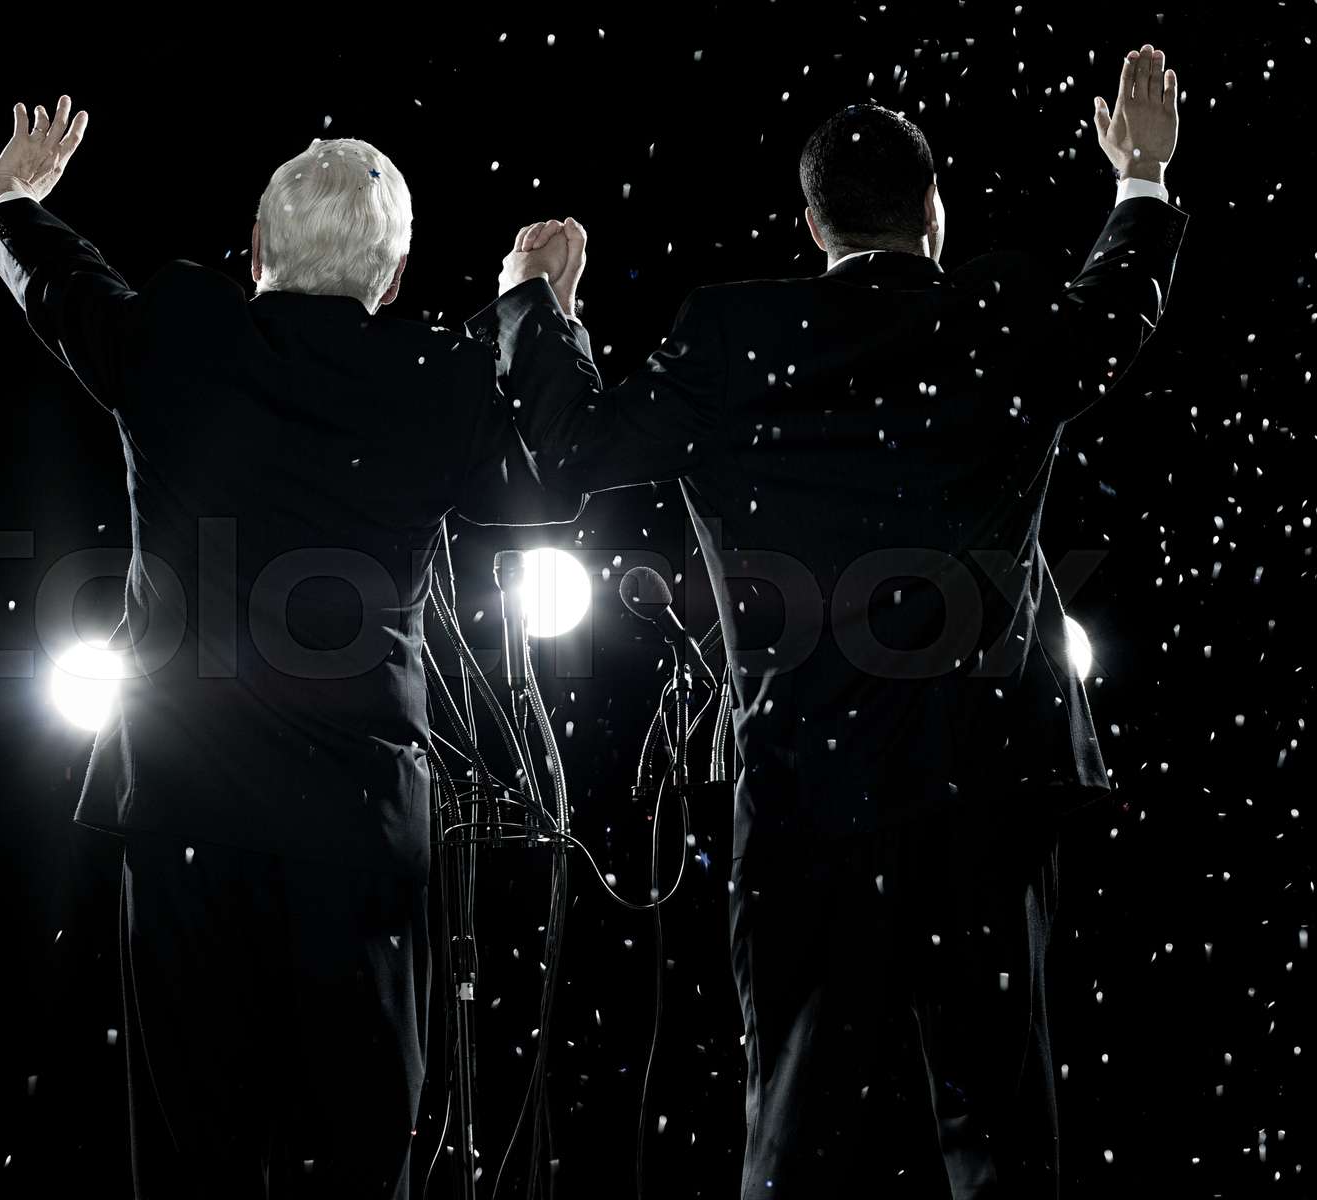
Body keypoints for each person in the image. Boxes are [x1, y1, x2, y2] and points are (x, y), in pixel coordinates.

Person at [469, 44, 1186, 1196]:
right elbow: (1111, 318)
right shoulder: (997, 315)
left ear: (810, 226)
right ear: (933, 212)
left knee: (797, 1134)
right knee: (1003, 1139)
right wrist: (1139, 180)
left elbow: (575, 447)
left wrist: (533, 300)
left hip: (810, 785)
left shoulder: (730, 338)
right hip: (987, 783)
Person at [0, 109, 576, 1198]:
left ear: (253, 254)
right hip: (357, 836)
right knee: (359, 1158)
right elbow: (544, 487)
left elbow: (63, 286)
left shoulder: (179, 334)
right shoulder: (437, 382)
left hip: (183, 820)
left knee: (194, 1158)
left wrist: (17, 201)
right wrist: (533, 309)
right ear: (393, 282)